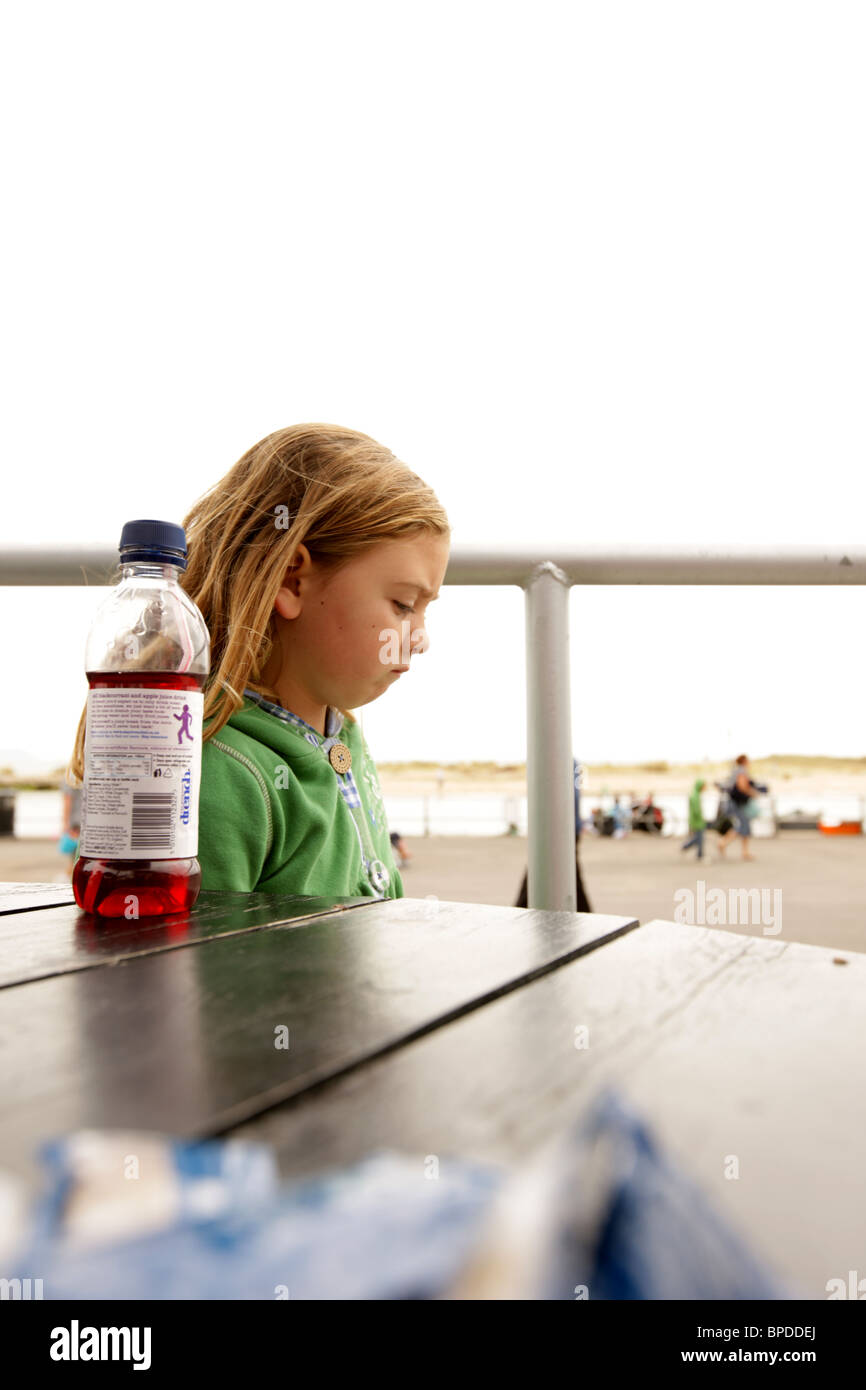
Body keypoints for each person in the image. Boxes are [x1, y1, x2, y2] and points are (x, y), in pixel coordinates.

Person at [68, 424, 450, 899]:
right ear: (292, 581)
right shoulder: (219, 777)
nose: (421, 638)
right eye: (403, 604)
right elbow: (181, 964)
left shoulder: (341, 734)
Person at [514, 757, 592, 911]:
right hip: (567, 828)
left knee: (540, 870)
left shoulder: (557, 759)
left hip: (558, 829)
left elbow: (568, 797)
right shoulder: (570, 761)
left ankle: (520, 909)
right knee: (567, 875)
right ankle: (585, 913)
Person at [717, 754, 768, 862]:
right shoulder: (741, 771)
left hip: (734, 802)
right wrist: (754, 793)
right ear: (744, 761)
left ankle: (743, 851)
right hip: (739, 803)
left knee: (743, 825)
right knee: (742, 825)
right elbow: (742, 786)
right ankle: (724, 843)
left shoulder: (735, 771)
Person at [680, 778, 707, 859]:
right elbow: (696, 810)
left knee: (699, 837)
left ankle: (698, 853)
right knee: (699, 838)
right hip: (697, 821)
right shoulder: (695, 796)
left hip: (695, 820)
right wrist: (701, 819)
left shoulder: (696, 794)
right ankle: (687, 847)